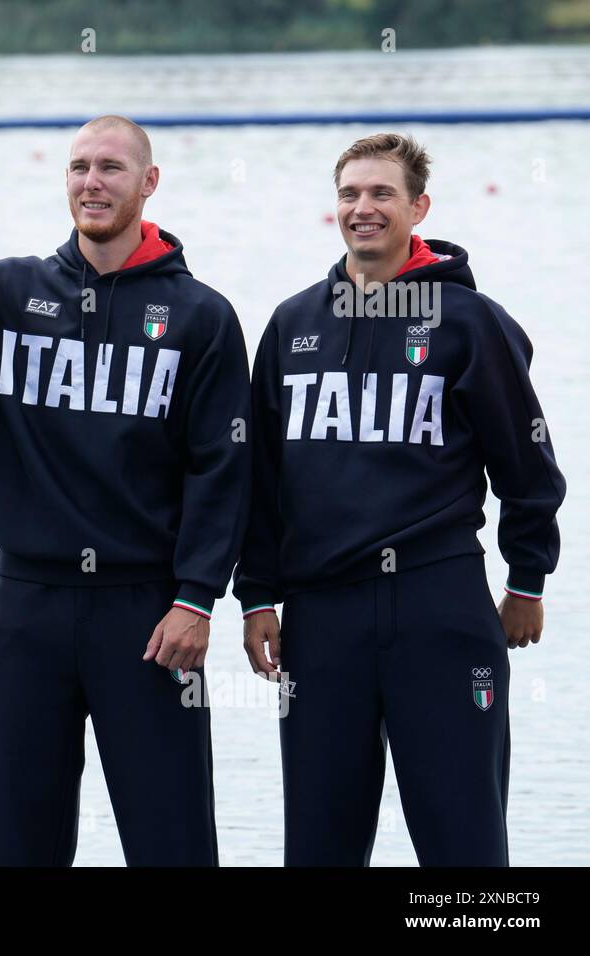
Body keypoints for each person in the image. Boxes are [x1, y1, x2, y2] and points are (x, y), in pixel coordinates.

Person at [0, 116, 251, 865]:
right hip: (26, 607)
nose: (91, 182)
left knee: (171, 835)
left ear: (149, 183)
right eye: (78, 167)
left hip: (149, 612)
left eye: (111, 167)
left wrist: (198, 596)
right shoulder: (4, 292)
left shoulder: (201, 317)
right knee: (18, 841)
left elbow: (223, 467)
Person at [235, 132, 566, 866]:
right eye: (350, 193)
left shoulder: (471, 323)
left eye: (382, 193)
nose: (363, 208)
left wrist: (527, 577)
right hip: (321, 618)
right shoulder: (293, 325)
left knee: (464, 845)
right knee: (320, 845)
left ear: (418, 207)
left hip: (437, 605)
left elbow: (527, 461)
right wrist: (257, 593)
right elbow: (260, 481)